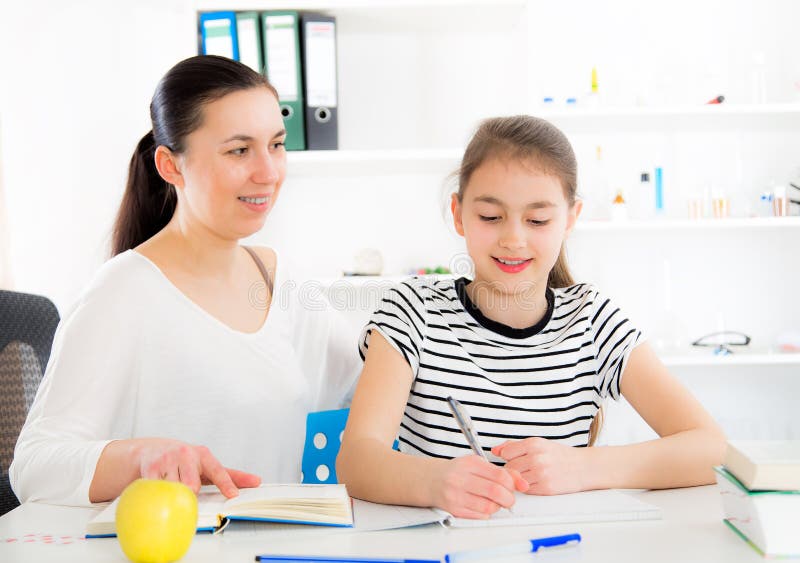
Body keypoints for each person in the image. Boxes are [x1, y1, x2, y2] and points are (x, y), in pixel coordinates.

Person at [337, 115, 726, 520]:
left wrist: (582, 467)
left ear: (570, 219)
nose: (513, 239)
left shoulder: (593, 322)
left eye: (538, 220)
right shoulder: (412, 313)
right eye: (491, 216)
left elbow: (712, 449)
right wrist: (435, 481)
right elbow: (357, 459)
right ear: (458, 213)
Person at [11, 56, 359, 506]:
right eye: (239, 150)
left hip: (277, 547)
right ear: (171, 166)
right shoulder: (123, 293)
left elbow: (370, 390)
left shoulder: (280, 280)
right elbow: (35, 466)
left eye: (276, 144)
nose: (269, 172)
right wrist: (141, 458)